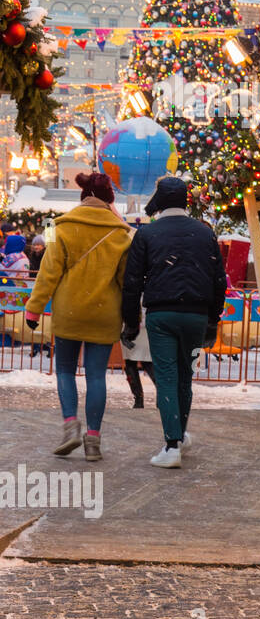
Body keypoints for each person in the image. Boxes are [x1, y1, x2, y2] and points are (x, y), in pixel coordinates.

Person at [24, 173, 132, 462]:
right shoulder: (121, 234)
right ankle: (93, 440)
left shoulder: (62, 228)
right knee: (97, 376)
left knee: (65, 371)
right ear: (108, 199)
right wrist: (130, 315)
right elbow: (126, 281)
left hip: (69, 312)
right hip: (104, 314)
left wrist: (34, 308)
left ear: (83, 196)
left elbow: (48, 274)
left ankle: (70, 425)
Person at [121, 177, 227, 469]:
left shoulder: (147, 234)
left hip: (161, 316)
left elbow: (132, 283)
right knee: (186, 375)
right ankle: (179, 433)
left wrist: (130, 322)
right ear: (185, 201)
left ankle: (172, 445)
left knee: (166, 375)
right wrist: (212, 319)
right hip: (196, 316)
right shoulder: (205, 234)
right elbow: (220, 280)